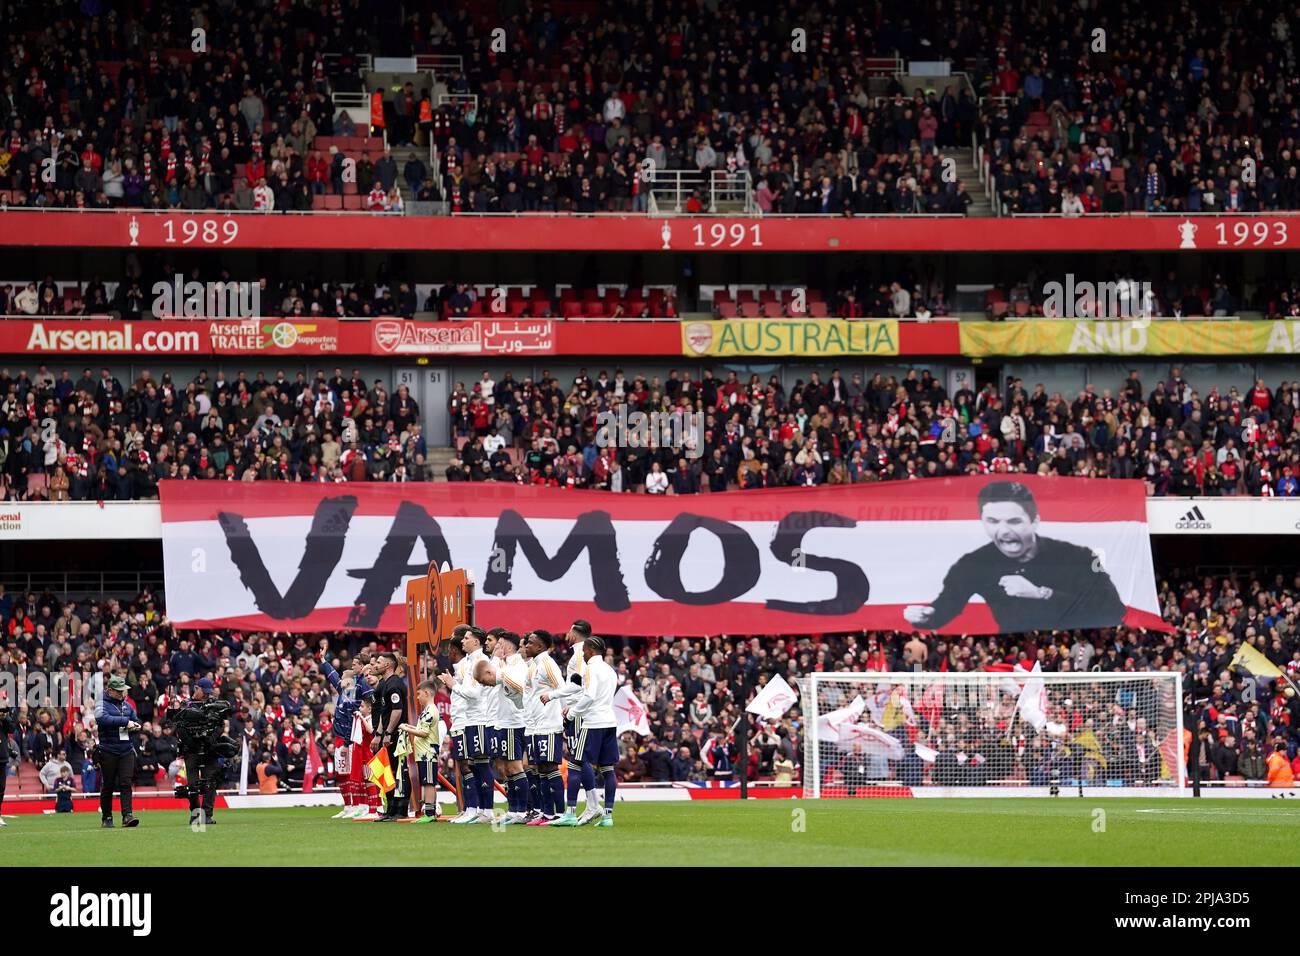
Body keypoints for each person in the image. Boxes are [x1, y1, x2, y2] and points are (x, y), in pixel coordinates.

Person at [903, 480, 1126, 633]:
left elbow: (1112, 610)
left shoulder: (1079, 557)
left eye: (1014, 521)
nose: (1003, 532)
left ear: (1035, 522)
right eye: (992, 522)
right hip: (1014, 652)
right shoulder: (972, 564)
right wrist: (925, 617)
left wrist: (1041, 594)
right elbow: (945, 607)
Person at [438, 626, 495, 823]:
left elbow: (475, 693)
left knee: (479, 764)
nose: (462, 642)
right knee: (472, 764)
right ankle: (475, 808)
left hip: (478, 718)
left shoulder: (480, 661)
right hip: (468, 719)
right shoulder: (470, 661)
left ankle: (485, 810)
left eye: (466, 638)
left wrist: (452, 684)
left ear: (476, 642)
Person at [561, 635, 619, 827]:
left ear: (591, 651)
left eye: (584, 650)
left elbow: (589, 695)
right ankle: (608, 816)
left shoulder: (590, 669)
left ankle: (569, 813)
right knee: (608, 769)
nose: (582, 654)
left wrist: (572, 714)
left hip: (593, 722)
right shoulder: (610, 670)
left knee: (575, 764)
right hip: (609, 722)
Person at [542, 620, 596, 825]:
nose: (567, 633)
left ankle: (590, 805)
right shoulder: (579, 653)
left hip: (578, 712)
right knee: (579, 758)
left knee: (578, 758)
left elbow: (578, 685)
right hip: (575, 711)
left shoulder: (581, 653)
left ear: (575, 633)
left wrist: (554, 695)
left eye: (570, 630)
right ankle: (592, 804)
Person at [476, 631, 530, 823]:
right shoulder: (506, 665)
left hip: (514, 723)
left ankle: (521, 811)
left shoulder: (518, 666)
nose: (496, 647)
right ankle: (514, 810)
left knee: (515, 767)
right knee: (506, 768)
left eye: (499, 644)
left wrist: (499, 673)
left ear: (507, 647)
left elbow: (519, 686)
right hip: (503, 722)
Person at [523, 629, 566, 825]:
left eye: (530, 642)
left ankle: (560, 813)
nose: (526, 645)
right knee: (539, 767)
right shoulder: (533, 666)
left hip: (548, 723)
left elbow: (563, 688)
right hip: (534, 724)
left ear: (540, 646)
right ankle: (547, 813)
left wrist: (566, 714)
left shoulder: (548, 664)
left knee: (550, 766)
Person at [321, 651, 372, 818]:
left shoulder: (355, 693)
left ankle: (361, 804)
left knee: (354, 773)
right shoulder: (343, 691)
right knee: (342, 774)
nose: (340, 678)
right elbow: (332, 676)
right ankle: (349, 805)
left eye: (343, 675)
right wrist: (323, 660)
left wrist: (346, 741)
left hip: (350, 738)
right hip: (340, 737)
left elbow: (356, 715)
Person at [94, 674, 141, 828]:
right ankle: (107, 817)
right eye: (119, 691)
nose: (122, 694)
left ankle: (127, 815)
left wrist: (135, 726)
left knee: (126, 783)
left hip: (126, 749)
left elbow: (135, 719)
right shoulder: (101, 704)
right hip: (108, 750)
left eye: (123, 691)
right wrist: (125, 722)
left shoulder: (128, 706)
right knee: (108, 784)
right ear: (110, 690)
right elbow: (102, 719)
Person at [370, 652, 409, 821]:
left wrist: (388, 733)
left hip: (397, 735)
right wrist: (379, 734)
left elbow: (397, 710)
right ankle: (390, 810)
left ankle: (400, 810)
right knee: (388, 772)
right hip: (387, 735)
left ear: (387, 665)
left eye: (378, 662)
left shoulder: (394, 684)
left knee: (398, 771)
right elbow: (383, 714)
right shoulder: (385, 684)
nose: (375, 665)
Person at [396, 680, 442, 822]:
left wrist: (406, 729)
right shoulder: (427, 710)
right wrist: (409, 726)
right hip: (424, 753)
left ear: (427, 693)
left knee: (429, 783)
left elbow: (423, 733)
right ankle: (429, 812)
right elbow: (421, 729)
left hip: (428, 753)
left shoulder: (430, 710)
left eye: (419, 694)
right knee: (427, 782)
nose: (417, 697)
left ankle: (429, 813)